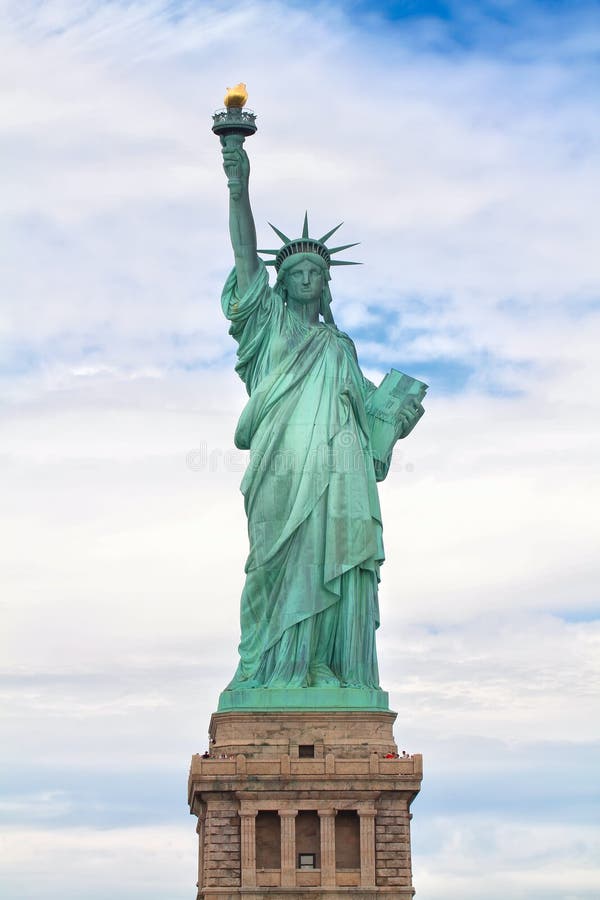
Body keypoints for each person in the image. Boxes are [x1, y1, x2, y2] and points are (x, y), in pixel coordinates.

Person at [219, 138, 423, 692]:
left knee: (336, 557)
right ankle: (274, 668)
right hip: (283, 466)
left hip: (343, 466)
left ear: (326, 284)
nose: (307, 278)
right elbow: (244, 256)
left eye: (316, 271)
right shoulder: (268, 328)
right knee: (276, 563)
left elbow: (369, 425)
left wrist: (394, 418)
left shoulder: (342, 348)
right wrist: (238, 185)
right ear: (279, 284)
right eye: (296, 272)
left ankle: (324, 666)